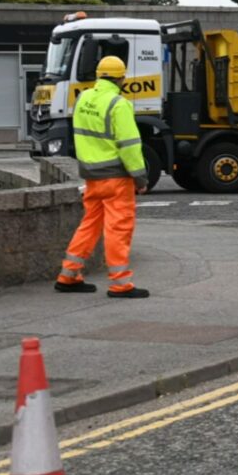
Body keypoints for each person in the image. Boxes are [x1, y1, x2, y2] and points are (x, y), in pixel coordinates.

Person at [55, 56, 150, 298]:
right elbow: (129, 146)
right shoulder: (119, 104)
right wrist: (140, 178)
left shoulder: (83, 99)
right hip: (116, 179)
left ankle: (68, 275)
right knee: (118, 228)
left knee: (90, 225)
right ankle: (120, 283)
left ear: (98, 75)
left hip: (91, 177)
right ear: (121, 78)